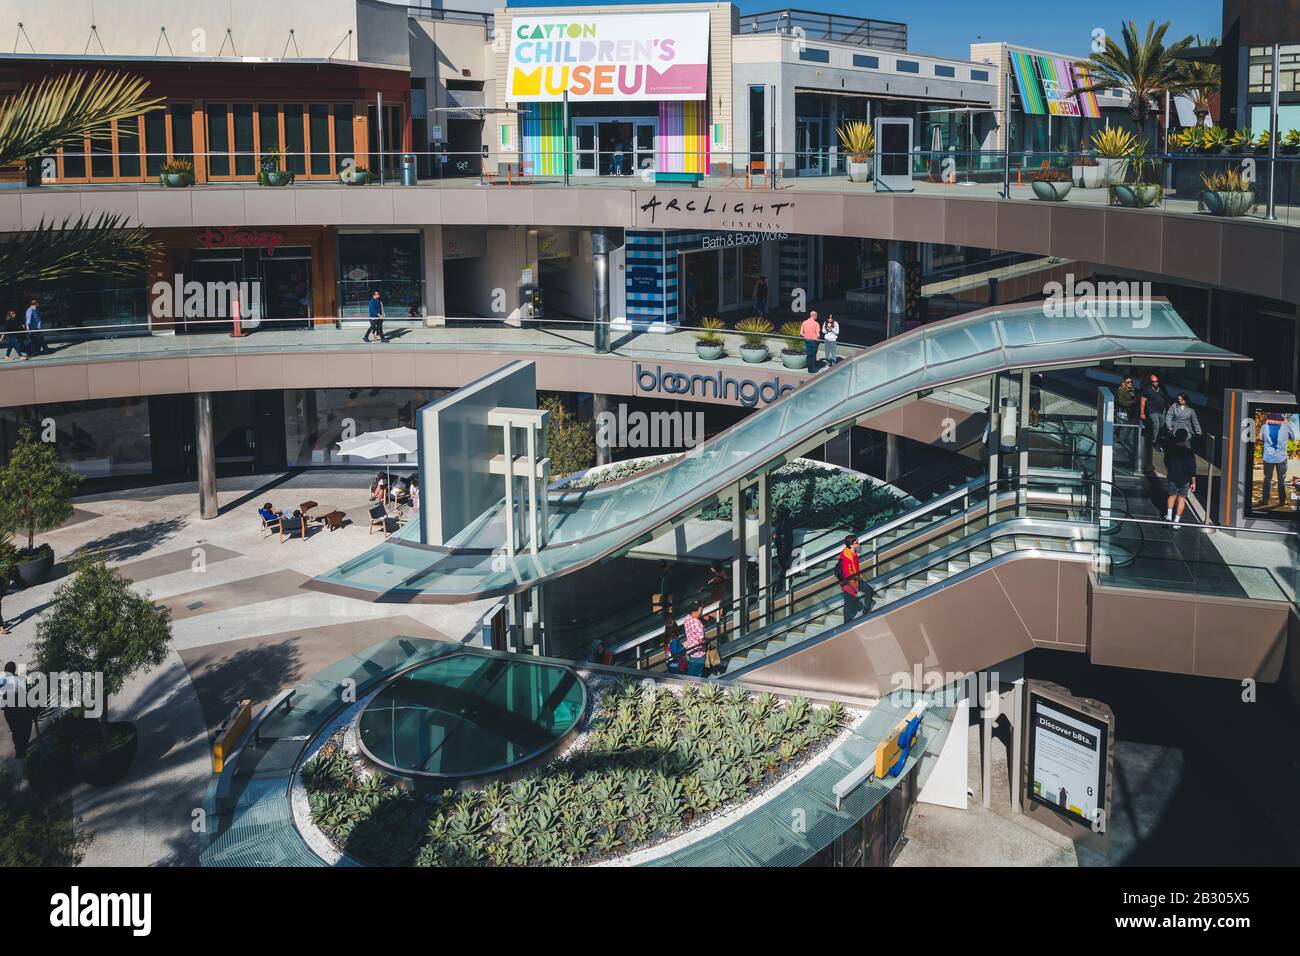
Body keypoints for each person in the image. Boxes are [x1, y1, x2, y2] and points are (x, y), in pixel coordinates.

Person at [1260, 412, 1298, 508]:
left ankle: (1265, 500)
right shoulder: (1285, 426)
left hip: (1268, 457)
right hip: (1281, 458)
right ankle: (1282, 501)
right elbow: (1293, 438)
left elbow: (1261, 438)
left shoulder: (1264, 426)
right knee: (1281, 480)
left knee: (1267, 479)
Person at [1163, 428, 1197, 526]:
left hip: (1172, 476)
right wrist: (1193, 482)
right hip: (1185, 479)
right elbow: (1192, 469)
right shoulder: (1189, 453)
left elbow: (1166, 462)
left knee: (1171, 496)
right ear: (1186, 438)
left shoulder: (1170, 450)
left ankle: (1168, 516)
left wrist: (1168, 471)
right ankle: (1176, 521)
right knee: (1181, 499)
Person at [0, 662, 33, 760]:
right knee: (24, 732)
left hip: (11, 714)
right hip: (22, 713)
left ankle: (20, 752)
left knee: (16, 732)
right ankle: (22, 751)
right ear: (14, 670)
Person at [836, 533, 864, 620]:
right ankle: (846, 623)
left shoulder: (852, 553)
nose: (858, 544)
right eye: (856, 543)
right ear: (851, 545)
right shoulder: (848, 557)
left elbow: (854, 568)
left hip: (853, 581)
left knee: (851, 601)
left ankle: (861, 610)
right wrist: (853, 585)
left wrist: (859, 575)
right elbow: (849, 573)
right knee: (848, 603)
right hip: (848, 583)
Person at [706, 560, 731, 641]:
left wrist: (705, 588)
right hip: (721, 596)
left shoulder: (716, 579)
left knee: (710, 611)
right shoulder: (722, 574)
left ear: (713, 569)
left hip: (716, 598)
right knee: (717, 611)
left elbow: (712, 589)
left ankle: (717, 629)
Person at [682, 601, 707, 678]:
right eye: (702, 608)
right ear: (699, 609)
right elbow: (701, 640)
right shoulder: (698, 623)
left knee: (691, 673)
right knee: (696, 676)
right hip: (698, 653)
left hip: (690, 651)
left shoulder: (687, 618)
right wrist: (707, 639)